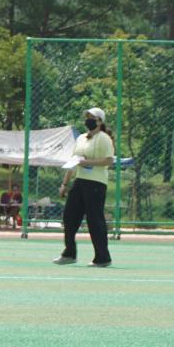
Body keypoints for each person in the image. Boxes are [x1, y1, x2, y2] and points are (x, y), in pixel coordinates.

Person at [54, 107, 117, 267]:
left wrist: (87, 162)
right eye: (87, 117)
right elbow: (74, 161)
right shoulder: (81, 138)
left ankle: (102, 258)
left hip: (96, 183)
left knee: (95, 220)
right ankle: (69, 253)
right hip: (80, 181)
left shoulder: (104, 138)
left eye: (92, 117)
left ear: (100, 121)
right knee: (69, 217)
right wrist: (65, 183)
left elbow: (109, 160)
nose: (88, 120)